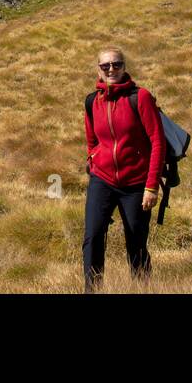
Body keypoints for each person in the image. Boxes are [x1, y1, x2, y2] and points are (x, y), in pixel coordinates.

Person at [82, 46, 165, 293]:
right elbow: (91, 140)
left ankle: (142, 288)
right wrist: (93, 160)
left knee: (136, 242)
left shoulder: (140, 98)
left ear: (124, 67)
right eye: (105, 66)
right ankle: (92, 289)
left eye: (116, 64)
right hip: (102, 179)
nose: (111, 69)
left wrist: (151, 186)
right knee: (93, 236)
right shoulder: (91, 101)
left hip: (136, 183)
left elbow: (157, 142)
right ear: (98, 69)